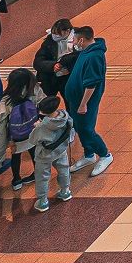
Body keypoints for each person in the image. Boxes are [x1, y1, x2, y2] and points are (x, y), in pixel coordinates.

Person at [63, 26, 112, 177]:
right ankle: (89, 154)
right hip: (76, 100)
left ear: (82, 40)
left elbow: (92, 83)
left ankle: (105, 154)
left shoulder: (94, 56)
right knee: (79, 127)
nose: (73, 43)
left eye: (75, 40)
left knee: (87, 129)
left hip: (84, 102)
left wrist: (84, 103)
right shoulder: (86, 51)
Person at [0, 68, 41, 192]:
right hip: (31, 132)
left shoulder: (7, 100)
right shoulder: (31, 93)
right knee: (34, 153)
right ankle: (37, 174)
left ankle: (16, 180)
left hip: (16, 136)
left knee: (16, 157)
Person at [27, 93, 76, 212]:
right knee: (64, 170)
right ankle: (65, 191)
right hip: (61, 150)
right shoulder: (65, 117)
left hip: (44, 155)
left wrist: (37, 126)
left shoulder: (42, 126)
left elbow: (32, 140)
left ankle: (42, 201)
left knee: (42, 177)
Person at [34, 18, 74, 97]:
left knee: (71, 101)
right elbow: (38, 62)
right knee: (46, 101)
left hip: (69, 78)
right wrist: (53, 65)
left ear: (68, 31)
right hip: (50, 78)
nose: (55, 36)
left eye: (58, 34)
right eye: (53, 33)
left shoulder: (77, 41)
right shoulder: (49, 41)